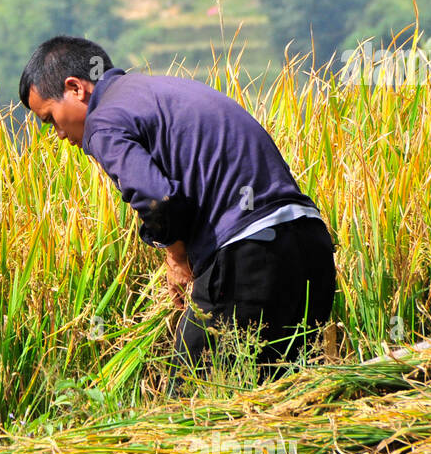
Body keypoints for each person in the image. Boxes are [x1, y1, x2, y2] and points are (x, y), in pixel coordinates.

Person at [19, 36, 336, 387]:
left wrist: (176, 256)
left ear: (76, 88)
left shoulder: (103, 119)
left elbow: (157, 198)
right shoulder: (161, 91)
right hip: (310, 244)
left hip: (250, 255)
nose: (59, 134)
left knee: (194, 398)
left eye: (50, 119)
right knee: (289, 395)